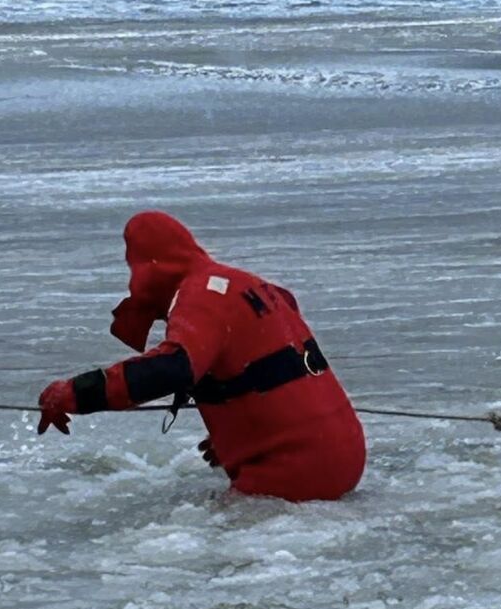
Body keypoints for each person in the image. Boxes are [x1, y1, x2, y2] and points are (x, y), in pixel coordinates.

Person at [37, 212, 365, 502]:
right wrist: (240, 432)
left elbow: (172, 369)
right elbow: (269, 360)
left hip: (293, 470)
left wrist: (75, 393)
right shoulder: (248, 283)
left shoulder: (201, 295)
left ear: (149, 265)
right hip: (344, 454)